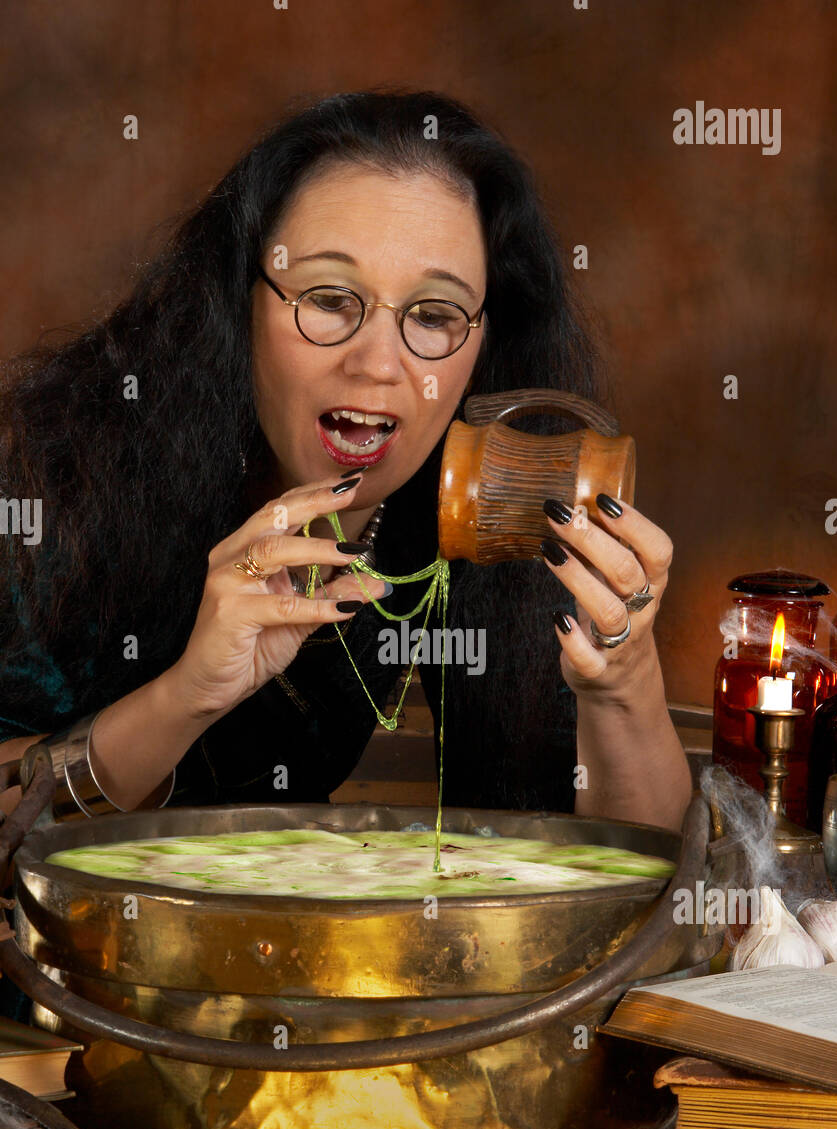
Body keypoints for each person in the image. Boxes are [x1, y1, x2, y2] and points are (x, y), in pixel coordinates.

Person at [0, 89, 691, 837]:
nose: (379, 364)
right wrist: (183, 699)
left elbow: (639, 875)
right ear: (240, 304)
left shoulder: (474, 509)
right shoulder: (65, 483)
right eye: (330, 298)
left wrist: (625, 684)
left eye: (433, 316)